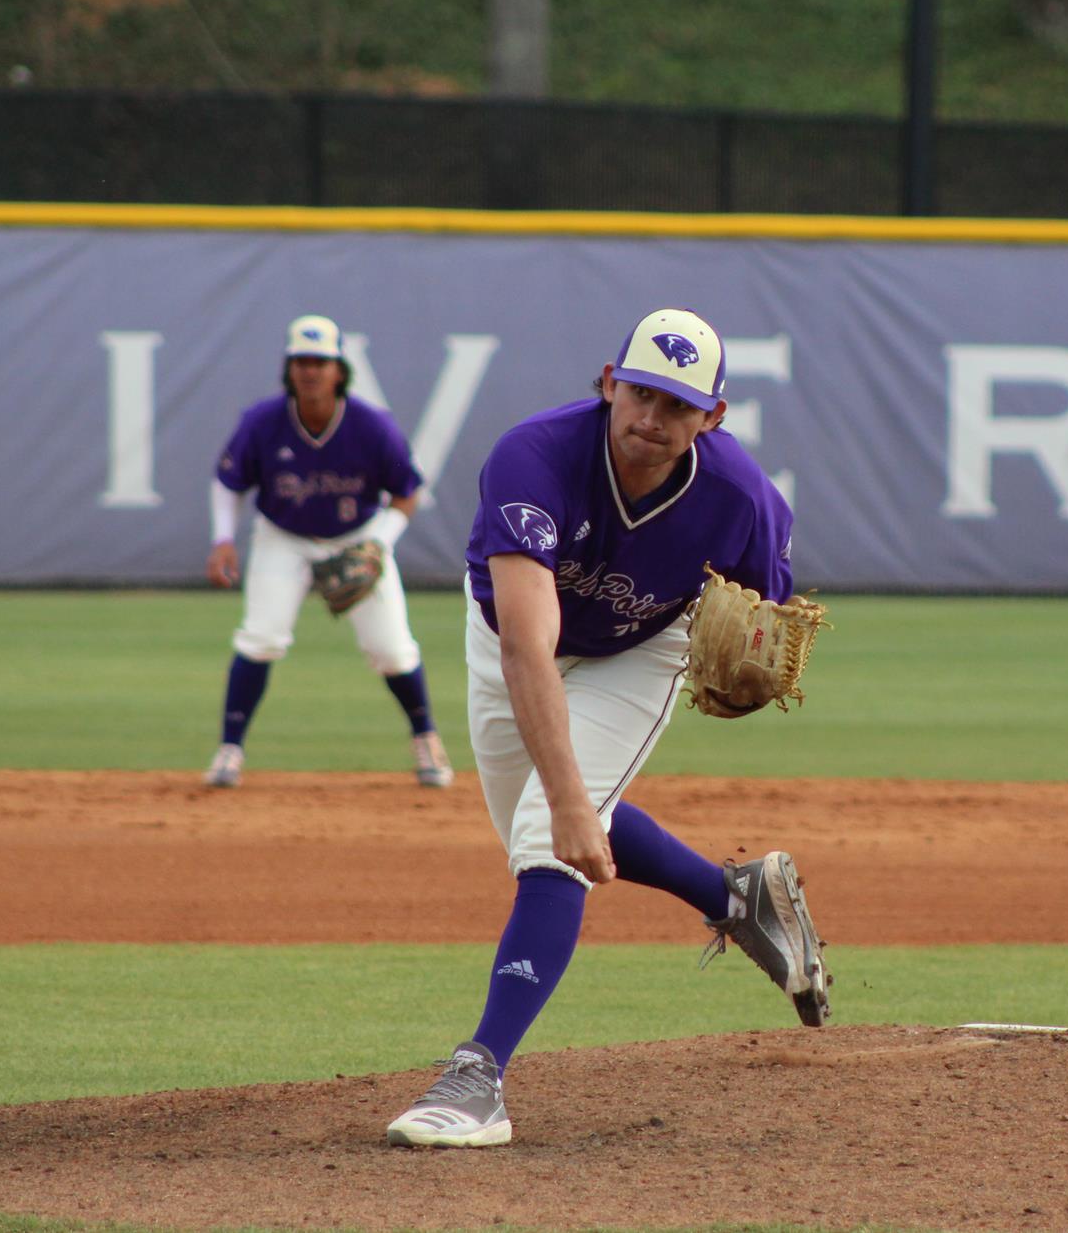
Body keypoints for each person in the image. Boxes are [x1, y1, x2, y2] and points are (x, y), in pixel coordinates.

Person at [384, 307, 829, 1149]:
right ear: (608, 382)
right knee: (557, 815)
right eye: (641, 393)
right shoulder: (534, 457)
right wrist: (570, 800)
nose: (652, 418)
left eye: (677, 404)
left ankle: (479, 1075)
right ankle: (738, 897)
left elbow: (765, 616)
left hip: (641, 649)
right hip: (510, 640)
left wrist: (750, 671)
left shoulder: (741, 500)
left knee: (548, 840)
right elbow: (527, 646)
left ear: (712, 417)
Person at [202, 313, 454, 790]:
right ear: (289, 368)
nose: (310, 371)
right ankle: (229, 749)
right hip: (283, 537)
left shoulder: (371, 425)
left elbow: (407, 492)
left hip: (356, 537)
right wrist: (222, 539)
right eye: (301, 361)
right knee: (260, 638)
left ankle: (426, 738)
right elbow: (228, 481)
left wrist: (378, 543)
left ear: (339, 370)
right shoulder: (263, 421)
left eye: (320, 362)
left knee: (392, 650)